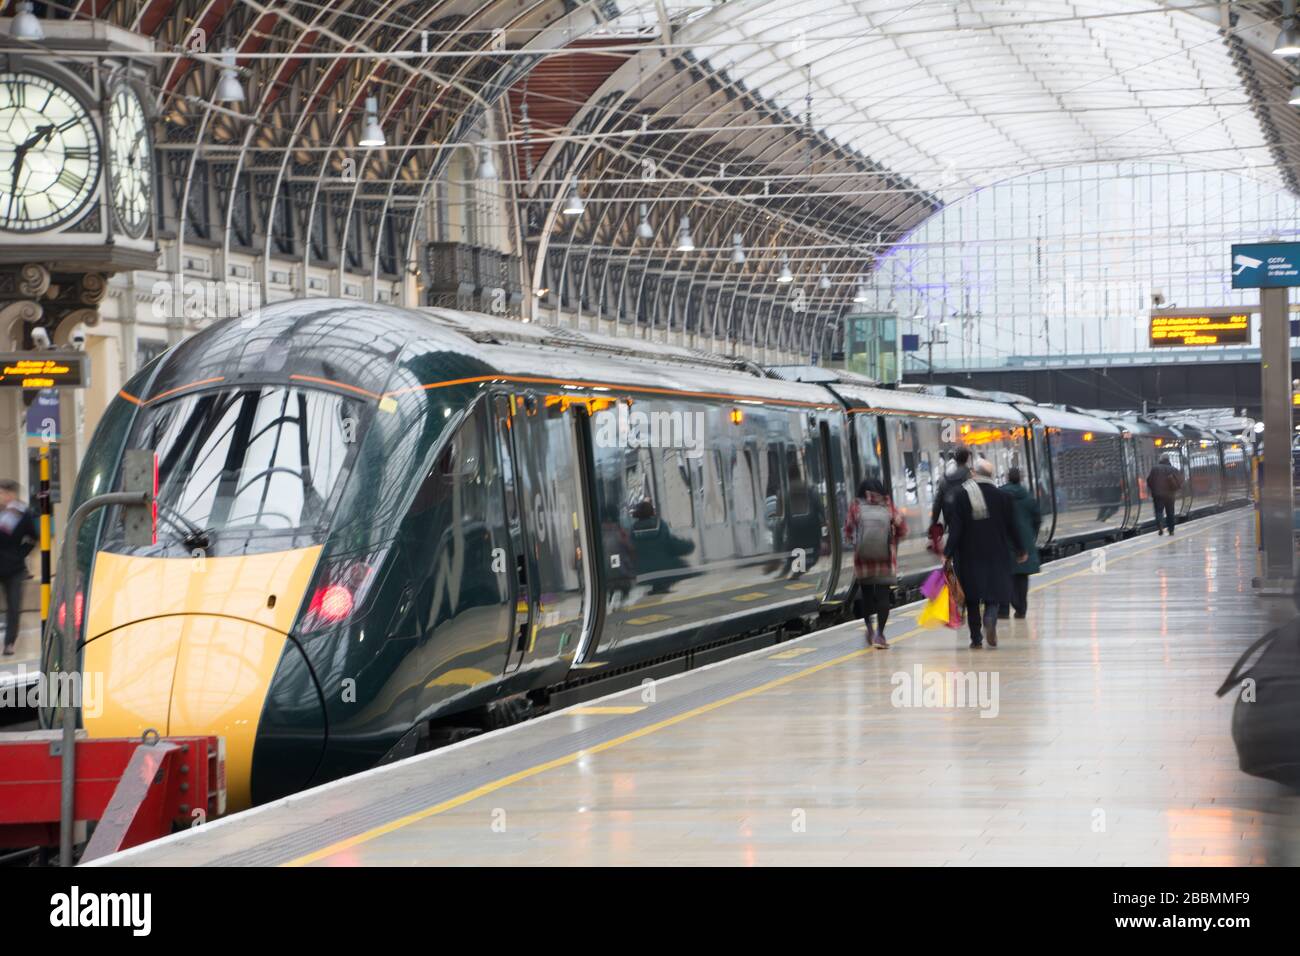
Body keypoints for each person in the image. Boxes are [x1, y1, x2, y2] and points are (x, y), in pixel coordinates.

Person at [943, 459, 1026, 648]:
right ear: (991, 476)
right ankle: (990, 618)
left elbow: (956, 528)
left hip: (969, 556)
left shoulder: (962, 496)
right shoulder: (1003, 497)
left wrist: (947, 552)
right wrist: (1021, 550)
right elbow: (1013, 527)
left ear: (974, 474)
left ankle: (976, 639)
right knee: (993, 594)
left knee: (972, 598)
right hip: (997, 553)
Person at [844, 477, 907, 648]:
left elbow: (848, 531)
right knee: (882, 597)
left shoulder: (856, 506)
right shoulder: (887, 505)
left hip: (863, 560)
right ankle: (880, 634)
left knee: (866, 597)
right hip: (885, 559)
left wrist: (857, 543)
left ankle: (870, 630)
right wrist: (893, 539)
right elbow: (902, 529)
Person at [997, 467, 1042, 619]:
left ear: (1007, 478)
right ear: (1020, 479)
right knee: (1022, 577)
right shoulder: (1029, 498)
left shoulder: (1000, 495)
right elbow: (1037, 520)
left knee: (1005, 575)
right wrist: (1031, 536)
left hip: (1004, 541)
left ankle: (1007, 607)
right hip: (1024, 541)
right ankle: (1021, 609)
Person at [0, 479, 37, 656]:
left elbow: (33, 537)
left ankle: (9, 643)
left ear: (12, 494)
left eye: (3, 493)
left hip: (14, 568)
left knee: (14, 606)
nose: (2, 497)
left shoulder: (22, 514)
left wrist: (21, 553)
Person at [930, 447, 970, 530]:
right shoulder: (970, 477)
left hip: (951, 519)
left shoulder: (944, 478)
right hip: (968, 518)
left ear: (955, 458)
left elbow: (937, 502)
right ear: (967, 459)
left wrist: (934, 522)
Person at [1146, 454, 1183, 536]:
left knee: (1159, 511)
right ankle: (1171, 530)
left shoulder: (1155, 469)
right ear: (1168, 460)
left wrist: (1153, 490)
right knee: (1170, 512)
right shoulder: (1173, 469)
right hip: (1170, 495)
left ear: (1160, 459)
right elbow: (1180, 481)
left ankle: (1160, 527)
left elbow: (1149, 480)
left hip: (1158, 495)